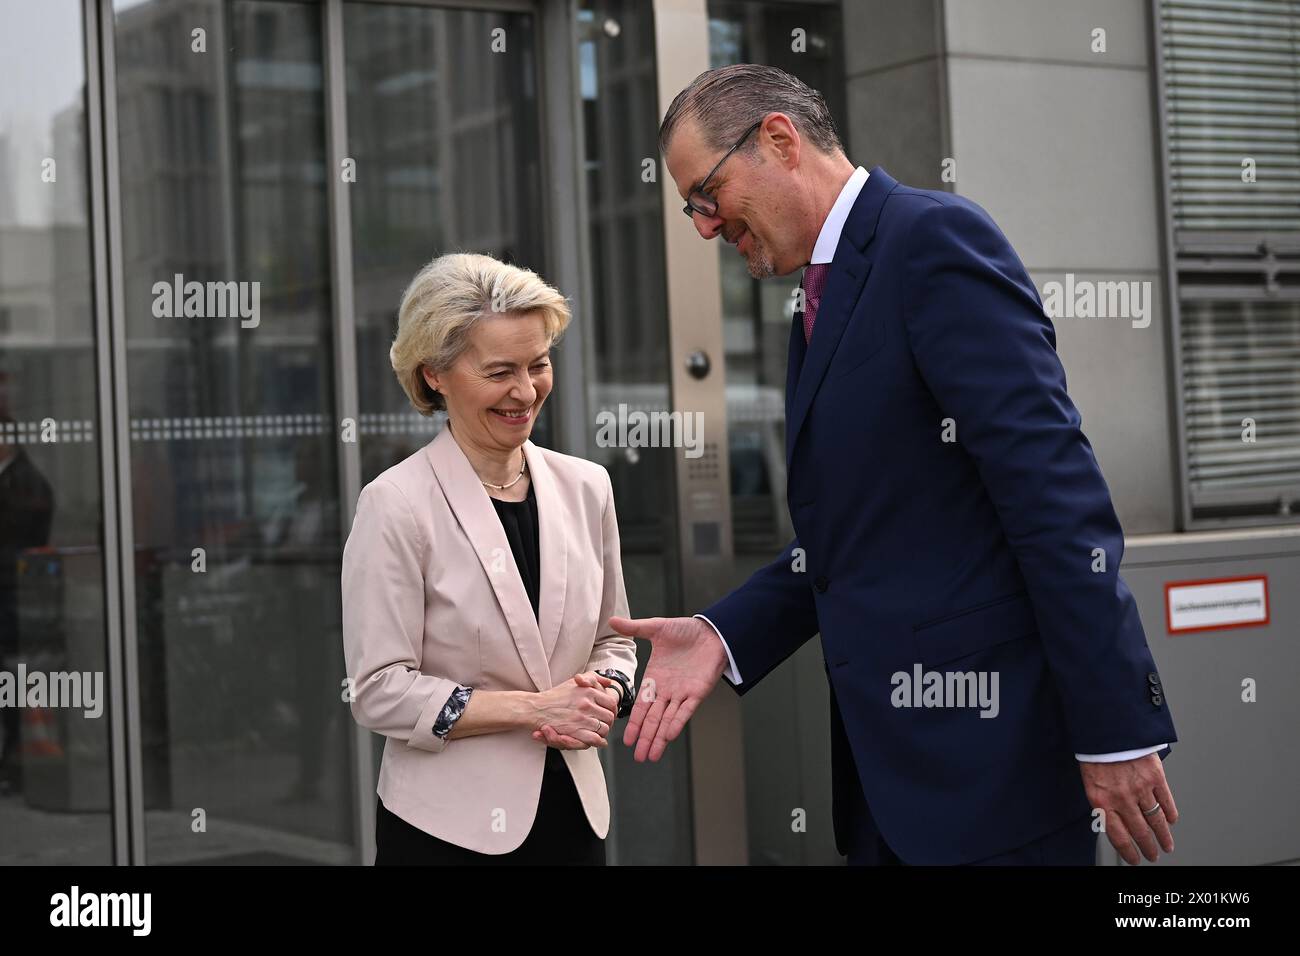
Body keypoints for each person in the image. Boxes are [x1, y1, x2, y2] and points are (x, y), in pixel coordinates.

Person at [613, 64, 1179, 866]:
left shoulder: (931, 241)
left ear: (778, 139)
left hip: (992, 778)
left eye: (706, 194)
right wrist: (722, 632)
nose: (703, 226)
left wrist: (1120, 728)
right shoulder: (817, 297)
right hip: (886, 789)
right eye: (689, 209)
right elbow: (858, 536)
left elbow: (1053, 497)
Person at [342, 252, 637, 865]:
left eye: (540, 364)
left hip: (576, 819)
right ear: (434, 375)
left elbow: (616, 643)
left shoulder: (588, 487)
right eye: (500, 370)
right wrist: (535, 709)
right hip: (443, 833)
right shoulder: (395, 503)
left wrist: (602, 690)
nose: (526, 392)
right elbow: (378, 690)